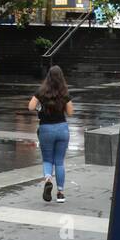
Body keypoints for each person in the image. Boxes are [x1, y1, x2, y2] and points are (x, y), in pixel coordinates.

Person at [29, 65, 74, 203]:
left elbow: (30, 107)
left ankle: (48, 178)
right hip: (62, 128)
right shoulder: (65, 92)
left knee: (48, 160)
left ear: (48, 76)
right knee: (59, 162)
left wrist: (40, 107)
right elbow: (71, 113)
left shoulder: (41, 92)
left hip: (46, 129)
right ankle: (60, 193)